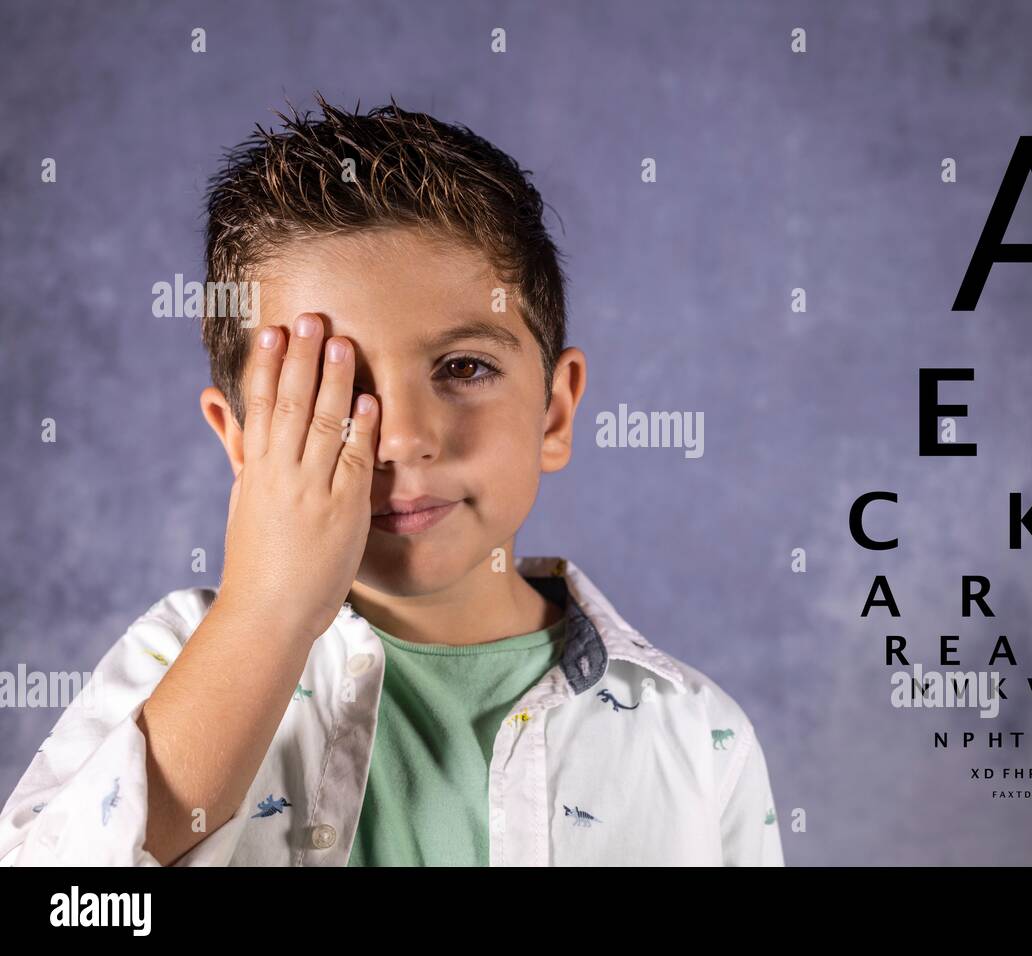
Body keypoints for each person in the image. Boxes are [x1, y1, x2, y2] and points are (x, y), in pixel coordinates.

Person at [0, 95, 783, 866]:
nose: (402, 437)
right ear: (242, 441)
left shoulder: (694, 734)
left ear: (554, 412)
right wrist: (266, 613)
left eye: (463, 367)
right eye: (334, 392)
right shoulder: (177, 662)